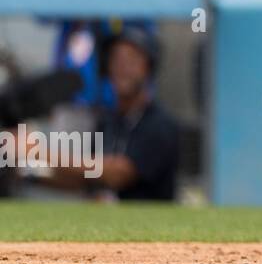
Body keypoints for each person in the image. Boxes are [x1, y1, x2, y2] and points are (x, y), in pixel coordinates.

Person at [43, 23, 180, 201]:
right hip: (105, 225)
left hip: (149, 226)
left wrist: (39, 152)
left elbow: (118, 174)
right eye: (116, 60)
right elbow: (84, 178)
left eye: (132, 60)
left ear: (148, 68)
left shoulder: (159, 125)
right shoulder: (108, 120)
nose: (123, 68)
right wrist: (25, 171)